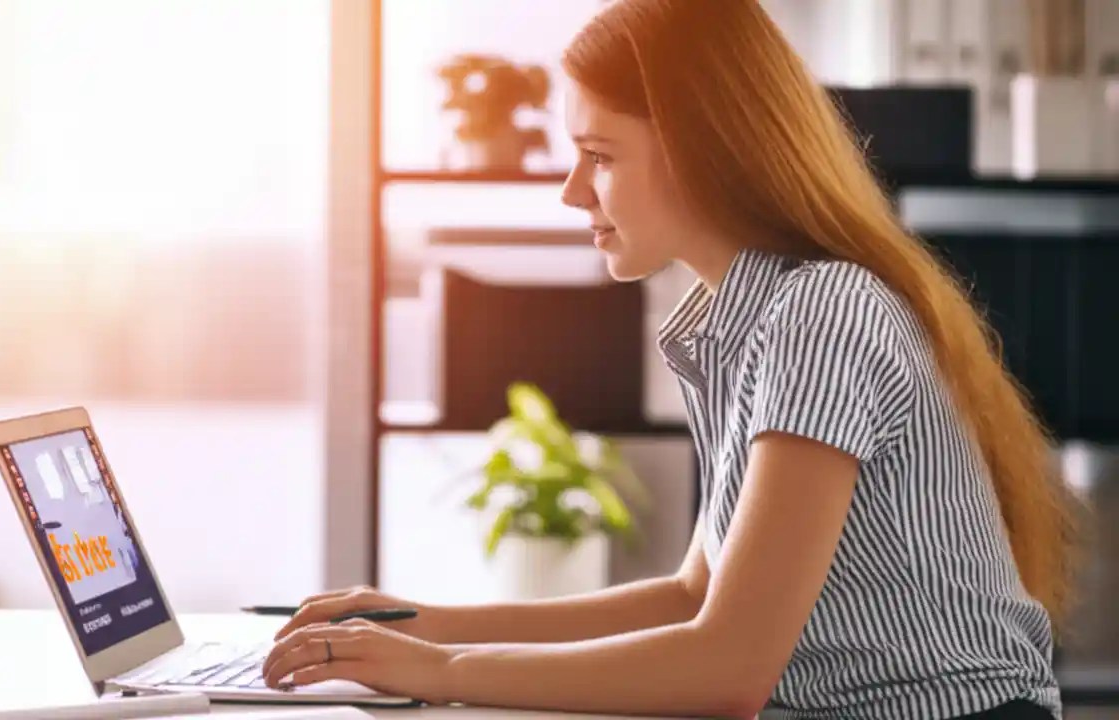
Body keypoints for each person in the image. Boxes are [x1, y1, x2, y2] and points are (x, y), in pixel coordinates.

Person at [262, 1, 1078, 718]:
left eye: (600, 155)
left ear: (702, 149)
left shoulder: (823, 314)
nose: (572, 191)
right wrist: (427, 624)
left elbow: (728, 669)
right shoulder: (745, 324)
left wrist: (441, 672)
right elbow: (695, 596)